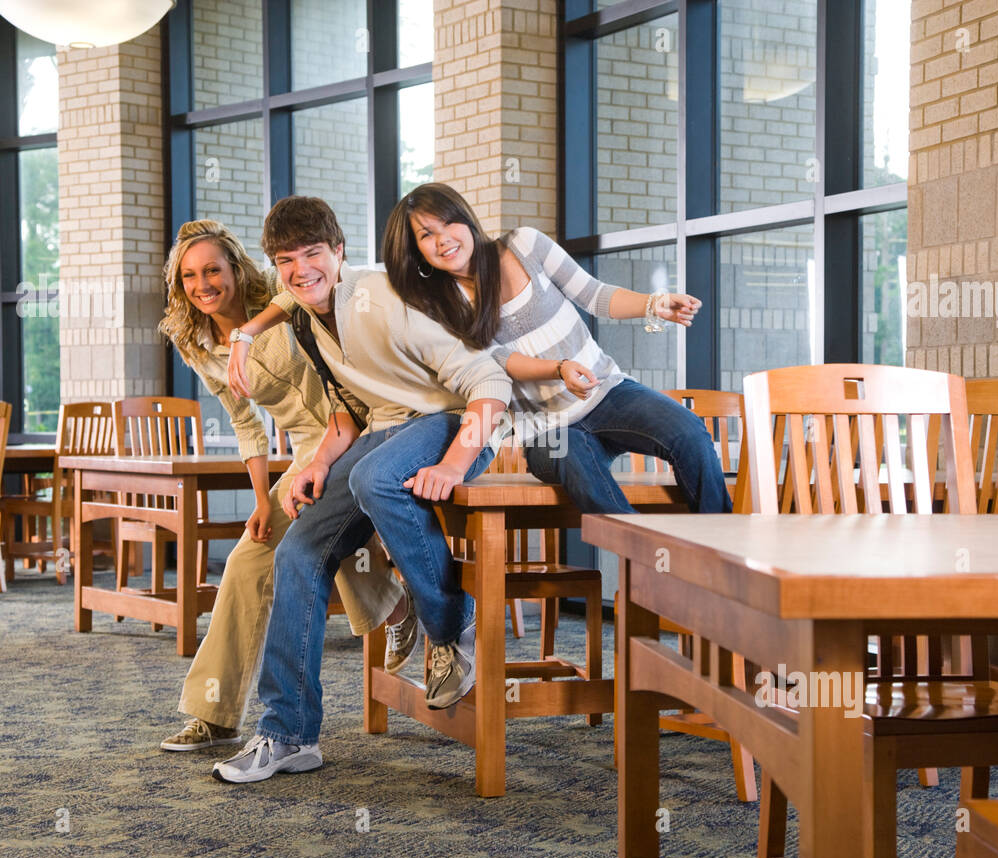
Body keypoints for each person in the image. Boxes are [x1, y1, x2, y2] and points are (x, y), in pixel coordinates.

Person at [212, 197, 511, 784]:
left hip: (453, 423)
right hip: (386, 433)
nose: (301, 271)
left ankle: (450, 626)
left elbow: (489, 380)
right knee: (296, 549)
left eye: (313, 254)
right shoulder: (302, 318)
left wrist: (453, 464)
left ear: (340, 252)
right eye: (286, 260)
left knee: (376, 477)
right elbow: (350, 413)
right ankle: (288, 734)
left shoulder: (382, 299)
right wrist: (316, 466)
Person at [155, 219, 413, 753]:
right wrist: (259, 502)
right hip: (304, 451)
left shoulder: (281, 301)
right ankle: (215, 712)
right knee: (248, 560)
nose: (204, 284)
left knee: (314, 530)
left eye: (213, 270)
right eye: (190, 276)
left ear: (234, 268)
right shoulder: (196, 342)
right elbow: (247, 425)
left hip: (358, 429)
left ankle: (399, 611)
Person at [380, 182, 733, 516]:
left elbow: (593, 294)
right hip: (545, 429)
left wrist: (652, 304)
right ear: (417, 252)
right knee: (576, 456)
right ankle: (640, 562)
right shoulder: (441, 307)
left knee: (689, 433)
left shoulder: (525, 245)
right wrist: (559, 368)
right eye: (427, 235)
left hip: (606, 392)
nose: (443, 240)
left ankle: (721, 557)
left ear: (466, 218)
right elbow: (499, 363)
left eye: (447, 223)